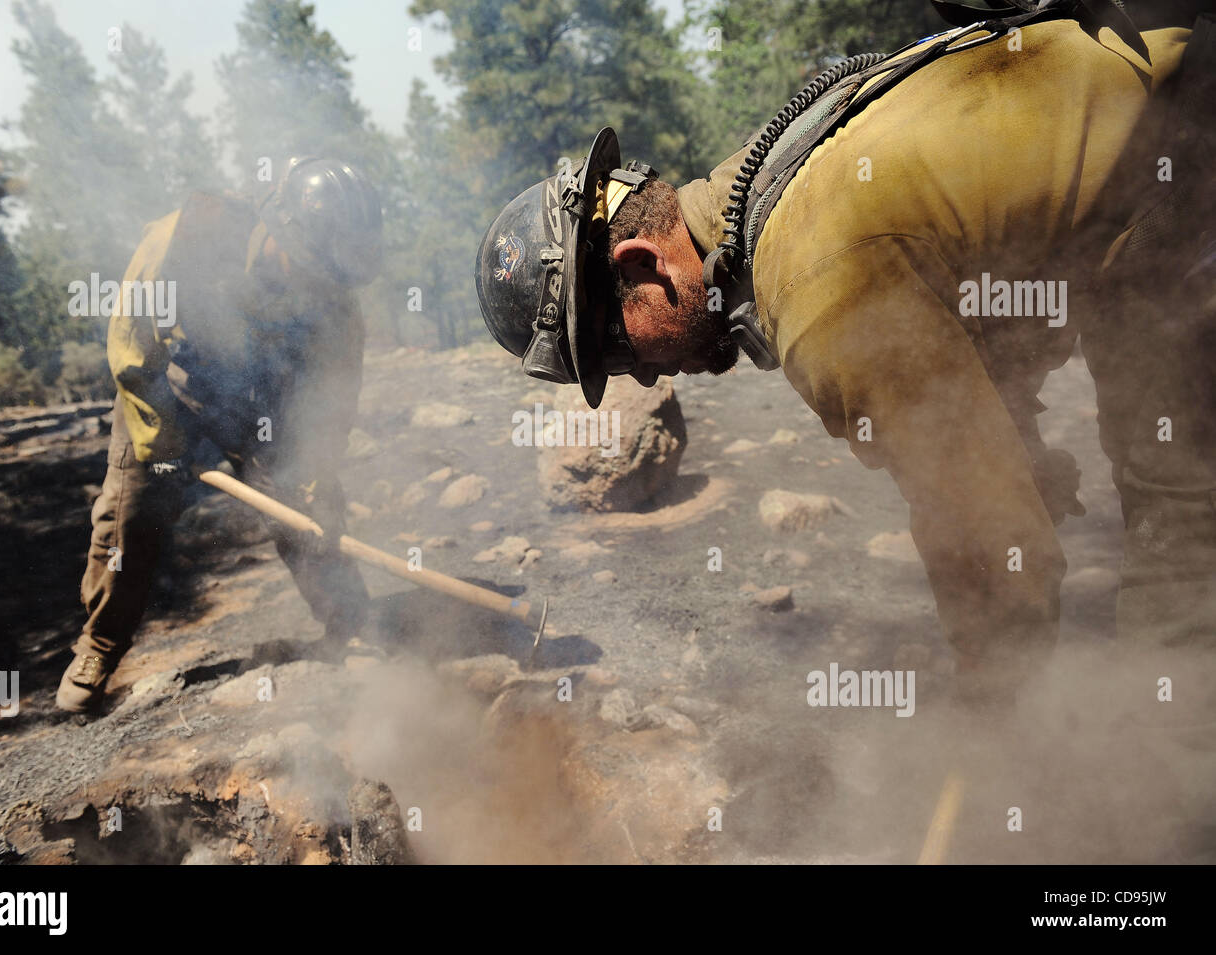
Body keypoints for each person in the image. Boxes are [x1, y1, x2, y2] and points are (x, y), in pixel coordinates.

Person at [474, 4, 1216, 704]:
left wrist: (990, 727)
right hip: (1152, 125)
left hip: (1178, 153)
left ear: (642, 265)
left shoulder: (816, 287)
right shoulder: (750, 194)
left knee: (1181, 528)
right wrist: (1014, 455)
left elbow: (995, 549)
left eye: (614, 349)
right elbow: (967, 276)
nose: (639, 373)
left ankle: (1177, 802)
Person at [55, 157, 382, 715]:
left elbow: (334, 398)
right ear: (281, 227)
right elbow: (133, 347)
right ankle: (99, 646)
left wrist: (309, 466)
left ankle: (350, 626)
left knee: (309, 510)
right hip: (164, 390)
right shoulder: (189, 234)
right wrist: (164, 450)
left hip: (261, 403)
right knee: (131, 515)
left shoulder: (334, 294)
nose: (316, 279)